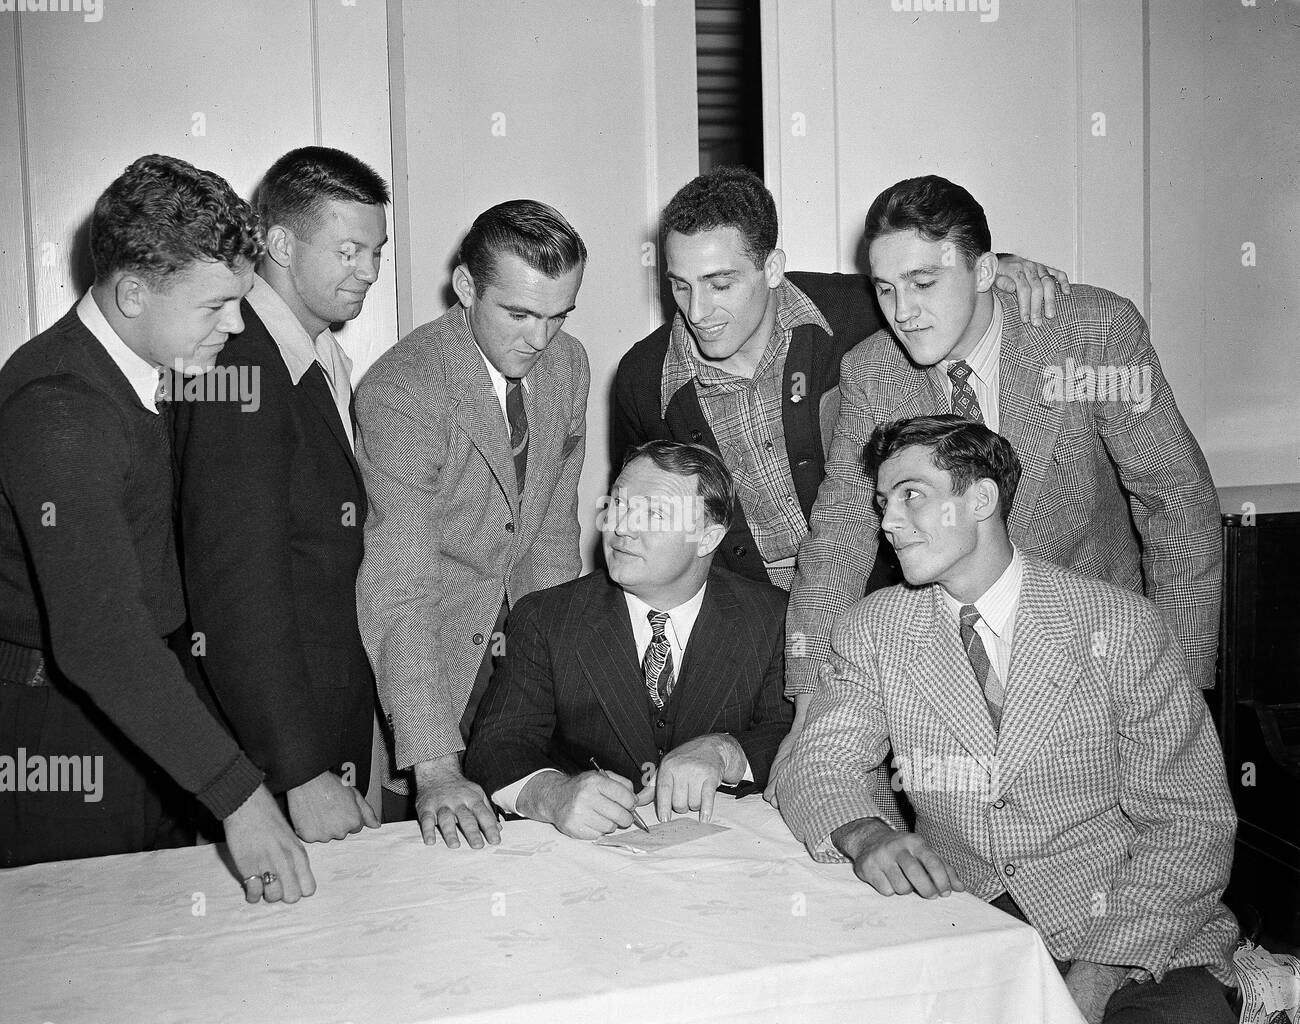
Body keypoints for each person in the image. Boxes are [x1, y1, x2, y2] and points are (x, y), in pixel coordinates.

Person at [775, 416, 1239, 1024]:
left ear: (982, 499)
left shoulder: (1120, 624)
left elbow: (1193, 822)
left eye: (911, 495)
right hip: (968, 927)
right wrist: (865, 834)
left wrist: (1097, 974)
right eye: (883, 503)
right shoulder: (875, 628)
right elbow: (817, 763)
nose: (886, 522)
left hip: (1136, 930)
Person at [782, 175, 1220, 762]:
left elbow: (1177, 503)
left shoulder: (1090, 334)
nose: (902, 314)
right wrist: (808, 708)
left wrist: (1175, 682)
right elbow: (838, 539)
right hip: (956, 673)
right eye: (885, 290)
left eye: (923, 284)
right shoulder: (874, 372)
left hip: (1097, 653)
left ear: (986, 271)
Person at [0, 154, 311, 903]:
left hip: (139, 709)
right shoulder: (62, 410)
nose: (235, 327)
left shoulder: (146, 371)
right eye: (215, 307)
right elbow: (101, 639)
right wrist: (240, 795)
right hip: (61, 731)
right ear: (132, 293)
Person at [611, 165, 1067, 594]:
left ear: (772, 268)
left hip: (880, 601)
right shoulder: (642, 380)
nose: (696, 311)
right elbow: (638, 527)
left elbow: (930, 286)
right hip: (744, 623)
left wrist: (1000, 268)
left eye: (720, 283)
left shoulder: (857, 313)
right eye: (680, 284)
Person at [355, 200, 589, 849]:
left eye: (558, 315)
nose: (540, 341)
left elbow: (550, 537)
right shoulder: (402, 391)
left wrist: (563, 689)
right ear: (466, 287)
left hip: (520, 668)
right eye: (518, 314)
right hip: (429, 667)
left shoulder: (568, 365)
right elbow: (401, 585)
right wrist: (434, 766)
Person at [172, 147, 389, 844]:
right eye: (350, 250)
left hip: (324, 719)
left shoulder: (314, 351)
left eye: (377, 252)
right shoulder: (242, 363)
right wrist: (297, 770)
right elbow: (236, 587)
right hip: (279, 751)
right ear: (279, 243)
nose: (370, 272)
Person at [463, 441, 797, 839]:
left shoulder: (773, 616)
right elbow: (496, 747)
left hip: (730, 854)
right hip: (587, 859)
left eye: (653, 513)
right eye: (617, 505)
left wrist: (725, 751)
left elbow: (800, 730)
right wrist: (553, 795)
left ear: (708, 538)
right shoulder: (547, 617)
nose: (620, 526)